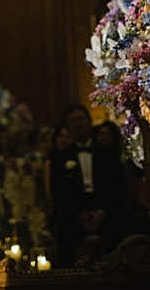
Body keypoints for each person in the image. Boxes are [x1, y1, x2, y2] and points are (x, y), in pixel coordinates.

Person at [49, 104, 127, 266]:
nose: (77, 124)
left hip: (104, 208)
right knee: (65, 234)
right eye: (72, 121)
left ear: (89, 121)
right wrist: (78, 215)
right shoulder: (60, 158)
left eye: (81, 119)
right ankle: (69, 277)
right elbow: (58, 193)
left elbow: (119, 188)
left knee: (117, 231)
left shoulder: (107, 153)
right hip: (75, 212)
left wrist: (101, 213)